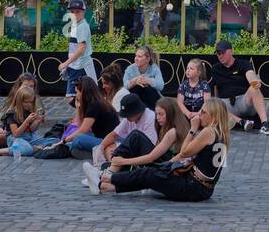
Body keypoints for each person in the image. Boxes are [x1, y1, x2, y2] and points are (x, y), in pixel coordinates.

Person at [83, 96, 229, 202]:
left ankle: (105, 177)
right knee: (151, 176)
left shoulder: (208, 132)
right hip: (202, 187)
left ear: (213, 116)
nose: (199, 114)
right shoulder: (221, 135)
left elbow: (184, 152)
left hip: (195, 187)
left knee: (149, 174)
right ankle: (104, 186)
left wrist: (193, 129)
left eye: (203, 112)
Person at [95, 93, 185, 173]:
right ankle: (111, 171)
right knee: (109, 146)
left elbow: (151, 156)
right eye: (157, 114)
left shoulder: (169, 130)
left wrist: (123, 161)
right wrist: (101, 148)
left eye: (161, 114)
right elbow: (113, 134)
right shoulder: (165, 128)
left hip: (162, 165)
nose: (157, 118)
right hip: (157, 161)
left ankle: (109, 173)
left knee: (135, 136)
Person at [209, 40, 269, 134]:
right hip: (226, 104)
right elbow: (215, 89)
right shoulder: (215, 68)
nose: (220, 55)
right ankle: (242, 122)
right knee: (216, 102)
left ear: (231, 51)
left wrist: (254, 81)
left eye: (223, 52)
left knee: (254, 88)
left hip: (243, 101)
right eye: (218, 53)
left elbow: (250, 74)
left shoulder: (243, 63)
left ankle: (265, 123)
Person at [0, 73, 43, 151]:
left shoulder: (34, 101)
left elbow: (30, 126)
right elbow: (0, 118)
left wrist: (37, 120)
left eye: (31, 86)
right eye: (25, 85)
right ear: (19, 86)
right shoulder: (15, 98)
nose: (28, 88)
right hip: (4, 128)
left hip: (17, 134)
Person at [60, 76, 120, 158]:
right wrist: (78, 108)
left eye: (77, 92)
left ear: (83, 92)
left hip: (109, 141)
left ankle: (101, 154)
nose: (76, 95)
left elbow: (82, 131)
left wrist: (65, 140)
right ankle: (96, 153)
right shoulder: (93, 103)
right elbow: (80, 126)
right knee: (75, 145)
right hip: (100, 137)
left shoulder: (94, 105)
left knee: (78, 139)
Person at [61, 0, 96, 102]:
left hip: (80, 66)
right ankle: (81, 115)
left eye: (78, 11)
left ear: (83, 12)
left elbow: (81, 49)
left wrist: (65, 63)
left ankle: (85, 115)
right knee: (78, 95)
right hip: (76, 65)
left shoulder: (82, 27)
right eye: (72, 12)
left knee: (73, 96)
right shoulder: (77, 25)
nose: (75, 14)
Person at [122, 44, 167, 111]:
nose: (136, 59)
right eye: (135, 56)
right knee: (136, 87)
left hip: (151, 100)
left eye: (139, 56)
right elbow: (124, 86)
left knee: (147, 88)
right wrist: (135, 81)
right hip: (135, 99)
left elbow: (161, 86)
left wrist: (148, 80)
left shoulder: (154, 68)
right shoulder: (130, 69)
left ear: (148, 59)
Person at [177, 58, 210, 131]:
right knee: (178, 118)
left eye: (191, 69)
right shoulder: (183, 85)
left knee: (205, 117)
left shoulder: (204, 85)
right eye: (187, 68)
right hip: (186, 112)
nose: (188, 70)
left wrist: (198, 113)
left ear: (198, 73)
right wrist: (187, 113)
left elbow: (207, 103)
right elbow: (179, 102)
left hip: (200, 111)